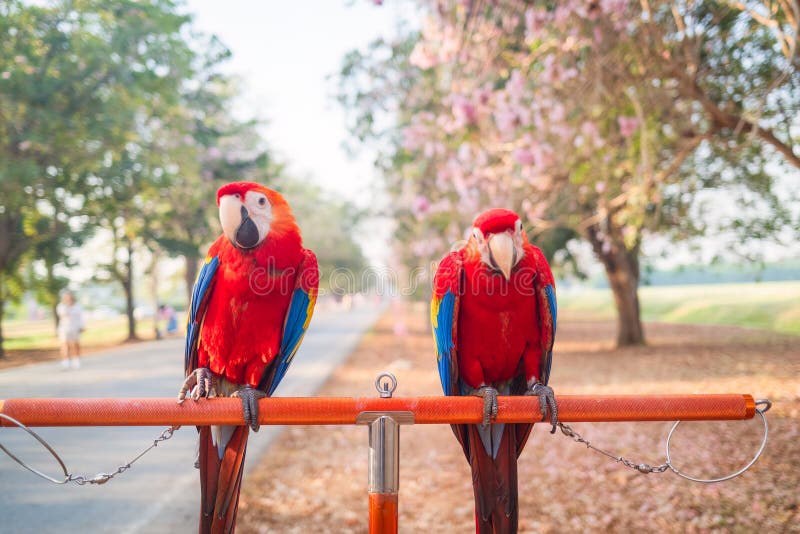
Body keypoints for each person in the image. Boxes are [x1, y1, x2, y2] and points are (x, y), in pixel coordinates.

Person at [56, 291, 84, 369]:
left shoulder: (77, 306)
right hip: (64, 328)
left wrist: (82, 326)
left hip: (75, 327)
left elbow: (80, 316)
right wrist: (67, 305)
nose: (68, 298)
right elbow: (63, 315)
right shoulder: (61, 306)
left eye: (69, 296)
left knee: (75, 344)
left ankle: (76, 360)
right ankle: (65, 361)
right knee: (64, 344)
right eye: (66, 296)